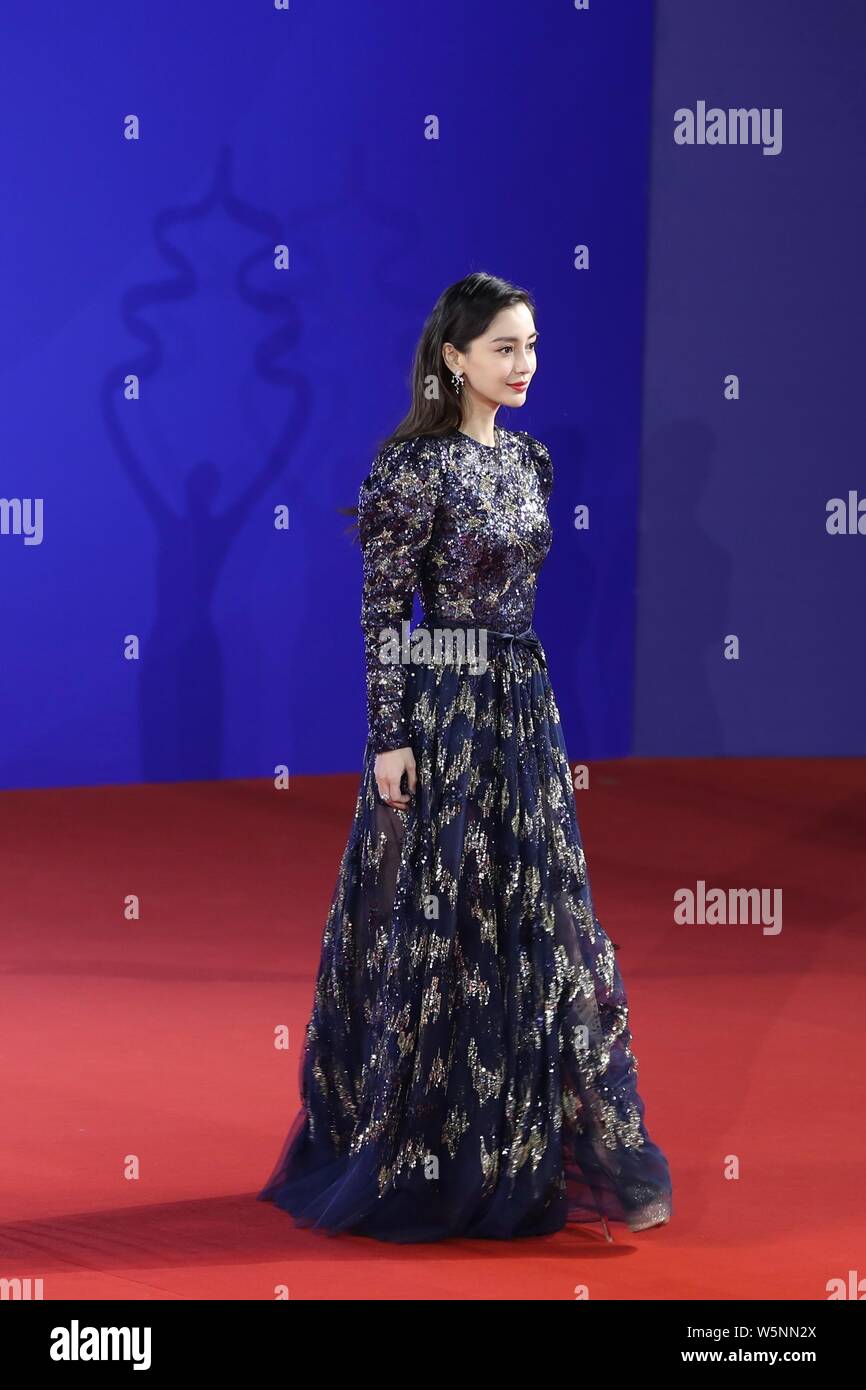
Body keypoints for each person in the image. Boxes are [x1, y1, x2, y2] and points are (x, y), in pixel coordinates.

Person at [257, 271, 673, 1242]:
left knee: (542, 918)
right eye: (502, 348)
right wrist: (388, 738)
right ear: (454, 356)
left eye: (530, 346)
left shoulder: (530, 462)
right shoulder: (410, 468)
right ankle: (428, 1155)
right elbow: (380, 614)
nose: (522, 364)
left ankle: (534, 1152)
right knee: (444, 927)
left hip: (522, 708)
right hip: (442, 709)